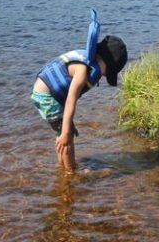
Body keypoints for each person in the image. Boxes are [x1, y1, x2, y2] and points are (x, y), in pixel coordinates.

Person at [31, 9, 128, 172]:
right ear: (104, 60)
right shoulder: (83, 70)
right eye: (108, 71)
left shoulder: (87, 61)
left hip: (46, 93)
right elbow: (71, 99)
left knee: (64, 132)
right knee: (67, 136)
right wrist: (66, 132)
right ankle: (70, 174)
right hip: (47, 96)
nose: (104, 75)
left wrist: (65, 130)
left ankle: (63, 168)